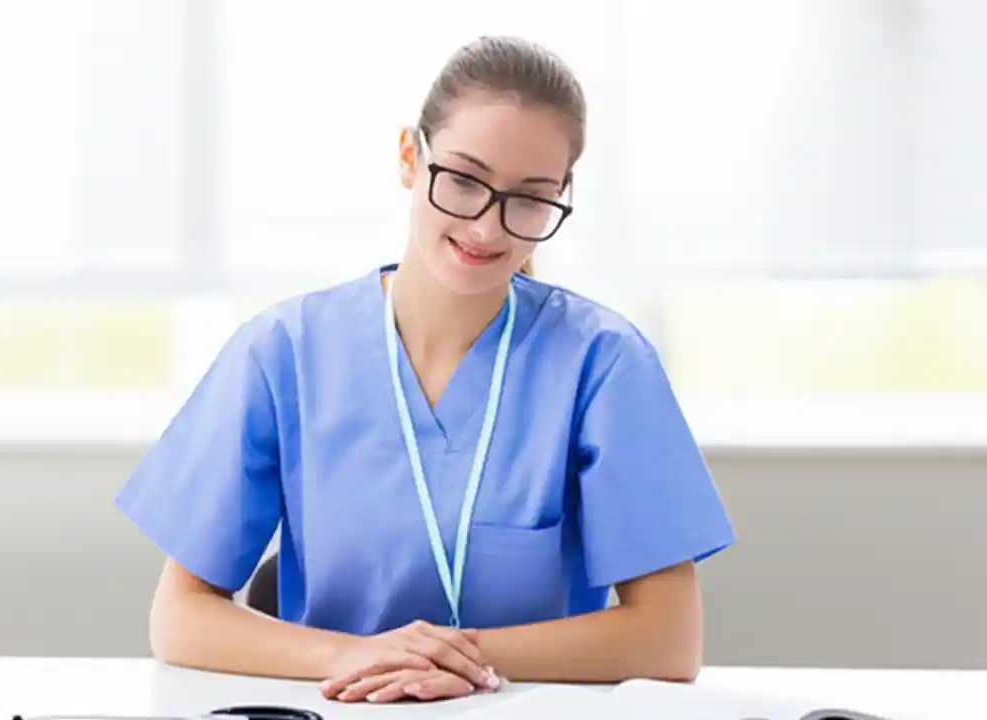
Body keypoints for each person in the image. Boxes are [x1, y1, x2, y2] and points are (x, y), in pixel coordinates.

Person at [115, 35, 735, 704]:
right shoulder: (283, 352)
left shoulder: (604, 363)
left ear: (562, 195)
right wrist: (363, 657)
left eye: (529, 198)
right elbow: (179, 617)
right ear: (411, 157)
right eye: (465, 180)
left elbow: (670, 640)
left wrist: (458, 660)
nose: (487, 229)